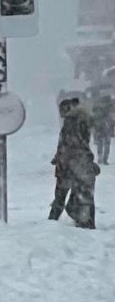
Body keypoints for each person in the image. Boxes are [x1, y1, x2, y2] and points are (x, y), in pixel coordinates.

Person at [50, 97, 98, 229]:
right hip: (78, 165)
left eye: (62, 109)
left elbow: (73, 144)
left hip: (70, 166)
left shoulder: (71, 122)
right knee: (83, 196)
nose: (60, 113)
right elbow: (77, 143)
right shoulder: (82, 121)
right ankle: (87, 223)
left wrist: (62, 157)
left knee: (62, 196)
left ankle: (51, 223)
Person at [93, 93, 113, 165]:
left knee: (100, 144)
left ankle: (101, 157)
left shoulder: (98, 108)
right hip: (105, 128)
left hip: (100, 129)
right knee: (106, 144)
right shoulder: (108, 108)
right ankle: (104, 159)